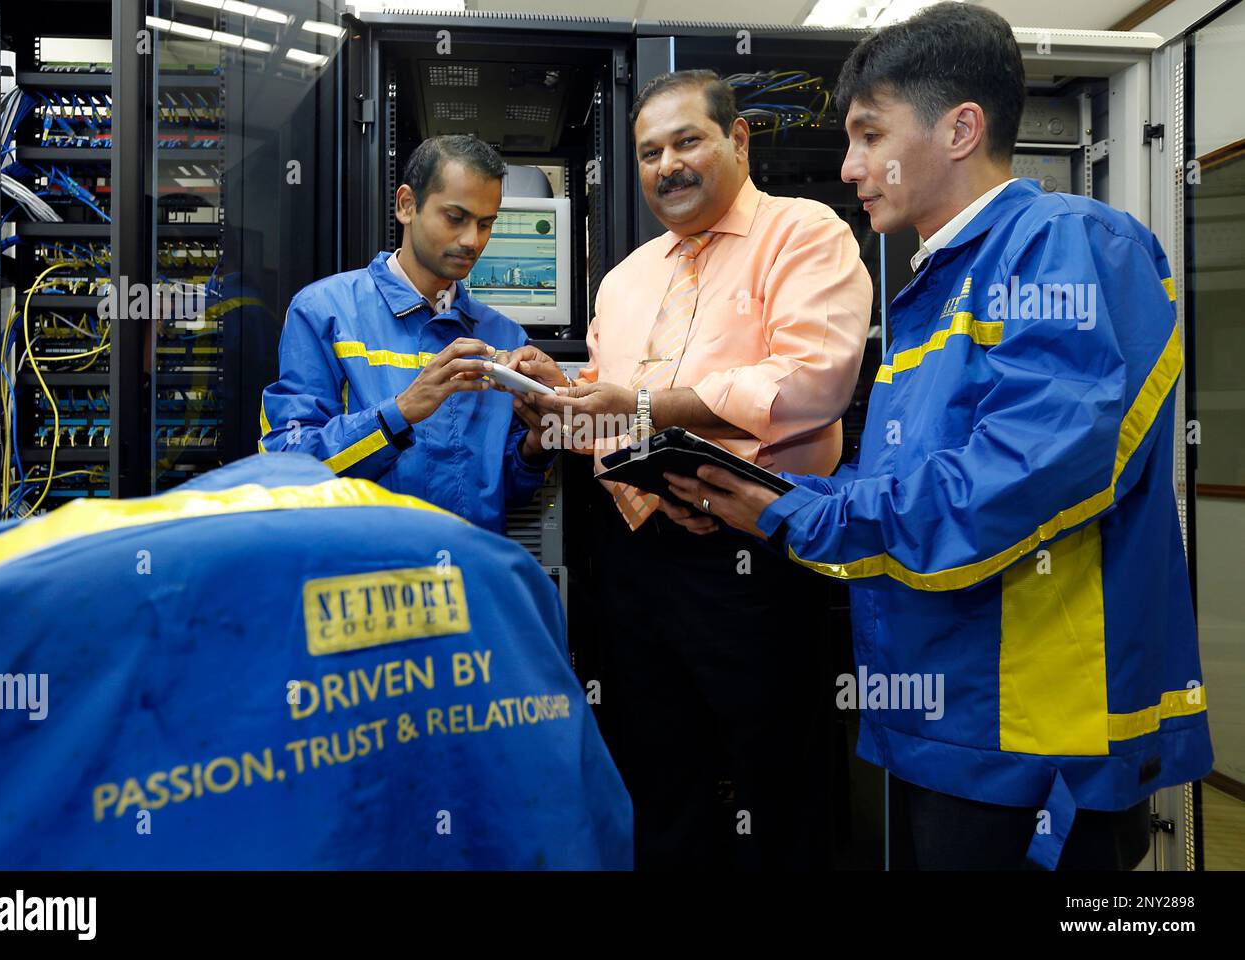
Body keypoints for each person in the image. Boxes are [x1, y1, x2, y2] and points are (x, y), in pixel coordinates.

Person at [660, 2, 1213, 870]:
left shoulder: (1067, 245)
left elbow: (1015, 484)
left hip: (1035, 743)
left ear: (961, 129)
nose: (850, 167)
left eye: (870, 135)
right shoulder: (937, 288)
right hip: (948, 726)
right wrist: (768, 494)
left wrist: (800, 516)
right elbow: (910, 481)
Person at [509, 70, 873, 868]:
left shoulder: (804, 235)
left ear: (737, 140)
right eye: (650, 153)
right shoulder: (625, 278)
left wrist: (646, 406)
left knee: (780, 784)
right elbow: (610, 412)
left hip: (750, 553)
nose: (667, 165)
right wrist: (555, 402)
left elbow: (810, 383)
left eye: (687, 142)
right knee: (657, 779)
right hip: (633, 556)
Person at [0, 452, 632, 869]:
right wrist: (400, 412)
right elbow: (587, 818)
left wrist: (535, 445)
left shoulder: (39, 588)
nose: (470, 256)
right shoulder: (501, 576)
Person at [259, 135, 555, 533]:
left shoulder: (506, 336)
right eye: (456, 218)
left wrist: (536, 446)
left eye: (485, 224)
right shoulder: (323, 312)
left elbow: (507, 490)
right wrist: (398, 413)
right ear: (406, 205)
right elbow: (287, 464)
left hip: (467, 563)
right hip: (367, 565)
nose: (472, 240)